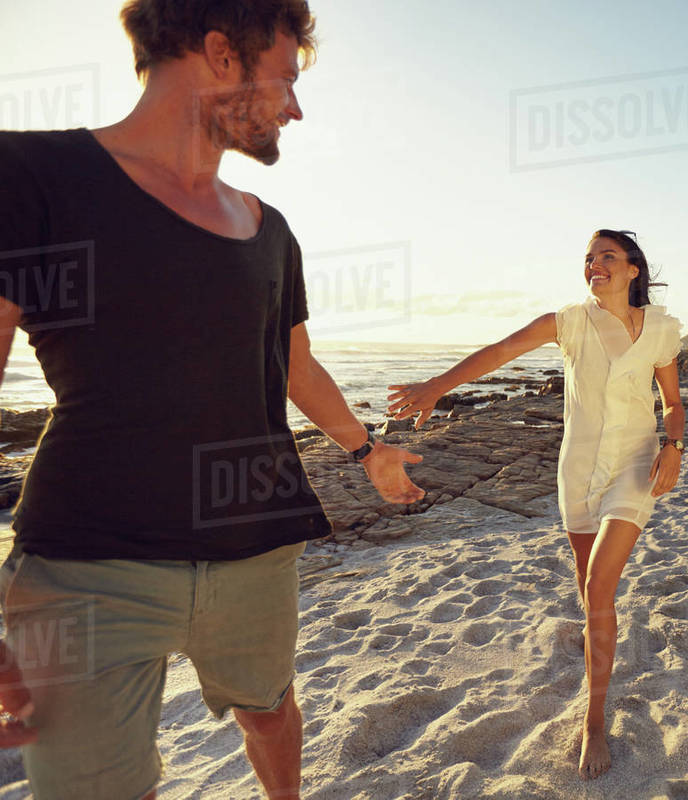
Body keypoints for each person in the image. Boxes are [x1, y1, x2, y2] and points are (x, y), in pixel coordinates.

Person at [0, 2, 425, 798]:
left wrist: (367, 451)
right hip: (86, 568)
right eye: (286, 79)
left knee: (270, 711)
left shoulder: (272, 231)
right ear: (223, 55)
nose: (295, 108)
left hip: (257, 548)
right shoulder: (27, 175)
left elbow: (297, 367)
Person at [387, 228, 685, 780]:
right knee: (589, 588)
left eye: (607, 256)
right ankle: (596, 636)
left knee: (599, 585)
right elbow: (501, 351)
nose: (595, 265)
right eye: (589, 258)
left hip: (635, 465)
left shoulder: (661, 329)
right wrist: (437, 386)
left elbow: (672, 402)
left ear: (633, 269)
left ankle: (594, 720)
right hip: (578, 469)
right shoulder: (567, 322)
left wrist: (674, 445)